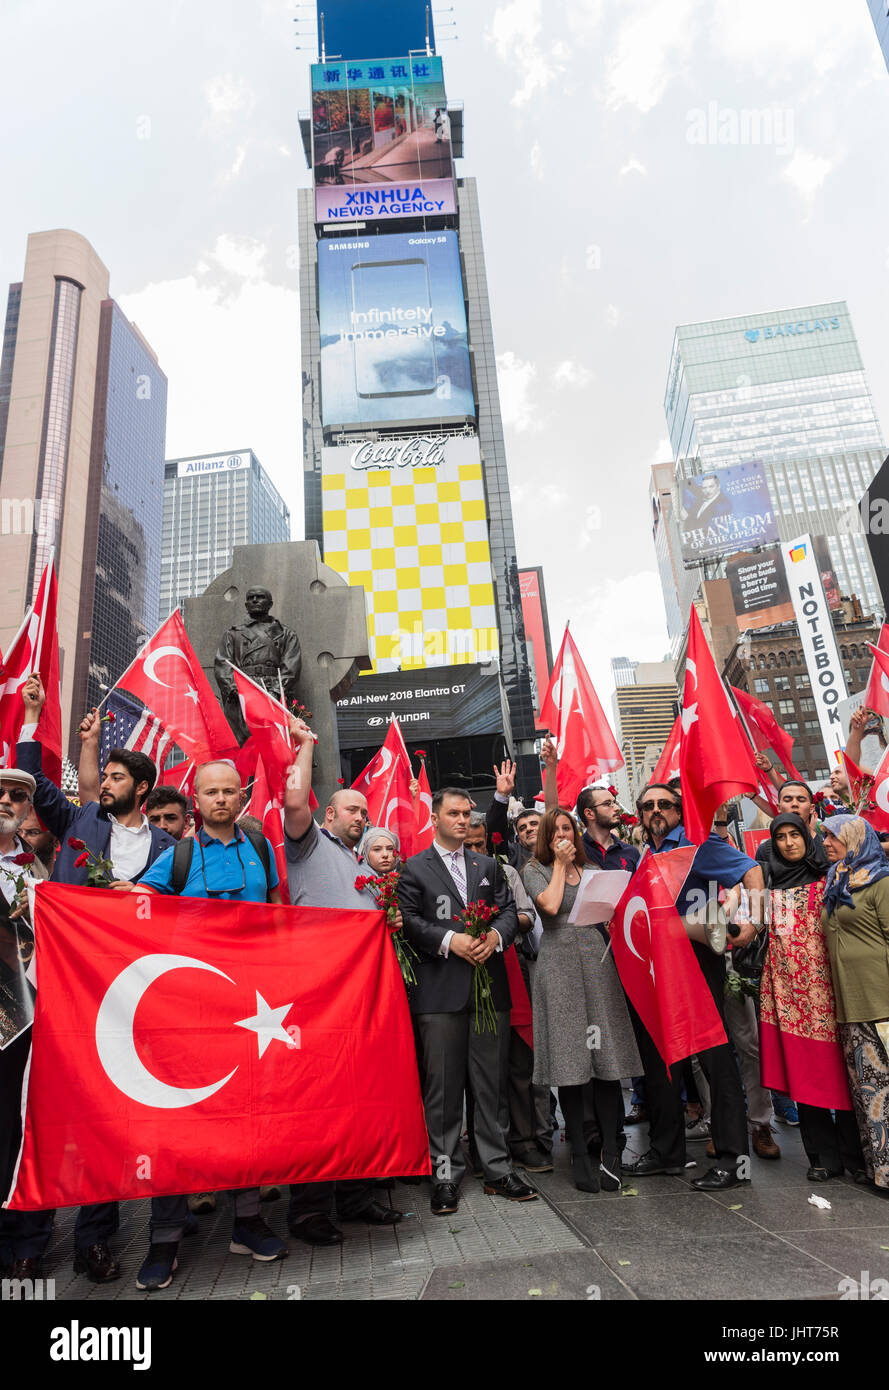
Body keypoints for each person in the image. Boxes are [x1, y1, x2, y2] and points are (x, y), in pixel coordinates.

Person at [10, 674, 176, 1284]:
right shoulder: (79, 824)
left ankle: (95, 1240)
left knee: (109, 1120)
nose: (103, 784)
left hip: (130, 1002)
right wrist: (31, 721)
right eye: (102, 776)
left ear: (142, 788)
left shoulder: (169, 845)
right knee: (51, 1115)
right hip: (66, 992)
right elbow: (32, 788)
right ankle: (29, 1240)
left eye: (115, 778)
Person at [129, 759, 286, 1289]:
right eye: (210, 792)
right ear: (196, 798)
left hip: (248, 1011)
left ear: (242, 796)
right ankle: (164, 1240)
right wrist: (132, 897)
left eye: (228, 791)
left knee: (246, 1118)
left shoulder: (260, 850)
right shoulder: (178, 856)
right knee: (175, 1123)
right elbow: (140, 901)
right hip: (186, 1012)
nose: (221, 799)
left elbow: (277, 916)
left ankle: (246, 1222)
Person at [283, 718, 406, 1243]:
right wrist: (306, 746)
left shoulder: (365, 866)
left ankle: (356, 1198)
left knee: (359, 1098)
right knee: (318, 1105)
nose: (362, 816)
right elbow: (293, 804)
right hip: (317, 997)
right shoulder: (307, 845)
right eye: (352, 810)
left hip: (360, 1001)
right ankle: (310, 1210)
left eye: (365, 811)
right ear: (327, 814)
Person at [398, 787, 536, 1215]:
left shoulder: (489, 865)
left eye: (466, 814)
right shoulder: (414, 869)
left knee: (490, 1086)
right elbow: (410, 923)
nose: (462, 820)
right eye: (453, 814)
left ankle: (497, 1168)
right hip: (438, 994)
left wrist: (495, 937)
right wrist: (450, 940)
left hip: (489, 989)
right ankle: (444, 1174)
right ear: (435, 818)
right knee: (442, 1089)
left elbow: (509, 912)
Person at [624, 783, 763, 1191]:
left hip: (696, 961)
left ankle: (734, 1160)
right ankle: (667, 1152)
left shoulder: (700, 845)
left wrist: (753, 923)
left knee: (716, 1061)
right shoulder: (644, 854)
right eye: (647, 806)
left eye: (664, 804)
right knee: (660, 1060)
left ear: (679, 810)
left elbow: (751, 870)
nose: (655, 811)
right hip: (655, 967)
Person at [523, 807, 641, 1193]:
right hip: (557, 965)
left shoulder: (594, 872)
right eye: (555, 830)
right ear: (544, 836)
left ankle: (611, 1151)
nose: (563, 836)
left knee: (605, 1059)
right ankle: (578, 1152)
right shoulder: (534, 870)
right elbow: (551, 906)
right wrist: (558, 865)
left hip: (595, 959)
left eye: (568, 829)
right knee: (572, 1062)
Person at [759, 813, 863, 1181]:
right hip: (788, 995)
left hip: (831, 995)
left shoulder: (830, 878)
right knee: (805, 1079)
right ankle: (823, 1158)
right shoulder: (767, 885)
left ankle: (856, 1157)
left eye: (795, 835)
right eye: (781, 837)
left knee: (844, 1076)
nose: (788, 843)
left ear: (807, 837)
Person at [464, 813, 553, 1174]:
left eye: (480, 844)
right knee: (474, 1070)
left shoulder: (506, 872)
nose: (474, 850)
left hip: (507, 968)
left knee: (519, 1063)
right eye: (467, 845)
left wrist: (496, 926)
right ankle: (481, 1145)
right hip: (460, 976)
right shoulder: (439, 873)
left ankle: (524, 1141)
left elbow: (527, 914)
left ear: (490, 842)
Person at [0, 769, 51, 1282]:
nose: (7, 800)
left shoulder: (43, 868)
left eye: (18, 795)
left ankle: (29, 1241)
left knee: (26, 1130)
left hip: (31, 1023)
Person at [821, 814, 889, 1188]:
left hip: (881, 1002)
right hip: (849, 1006)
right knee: (868, 1094)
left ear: (855, 839)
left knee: (885, 1093)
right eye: (825, 837)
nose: (826, 843)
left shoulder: (881, 881)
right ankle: (876, 1170)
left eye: (833, 836)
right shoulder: (837, 881)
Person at [485, 759, 542, 870]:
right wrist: (502, 796)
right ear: (518, 838)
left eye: (534, 823)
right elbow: (495, 831)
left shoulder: (559, 850)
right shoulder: (513, 854)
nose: (529, 829)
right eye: (522, 828)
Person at [575, 785, 640, 873]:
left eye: (614, 803)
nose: (617, 808)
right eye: (607, 803)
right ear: (589, 814)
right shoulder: (575, 853)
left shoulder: (631, 853)